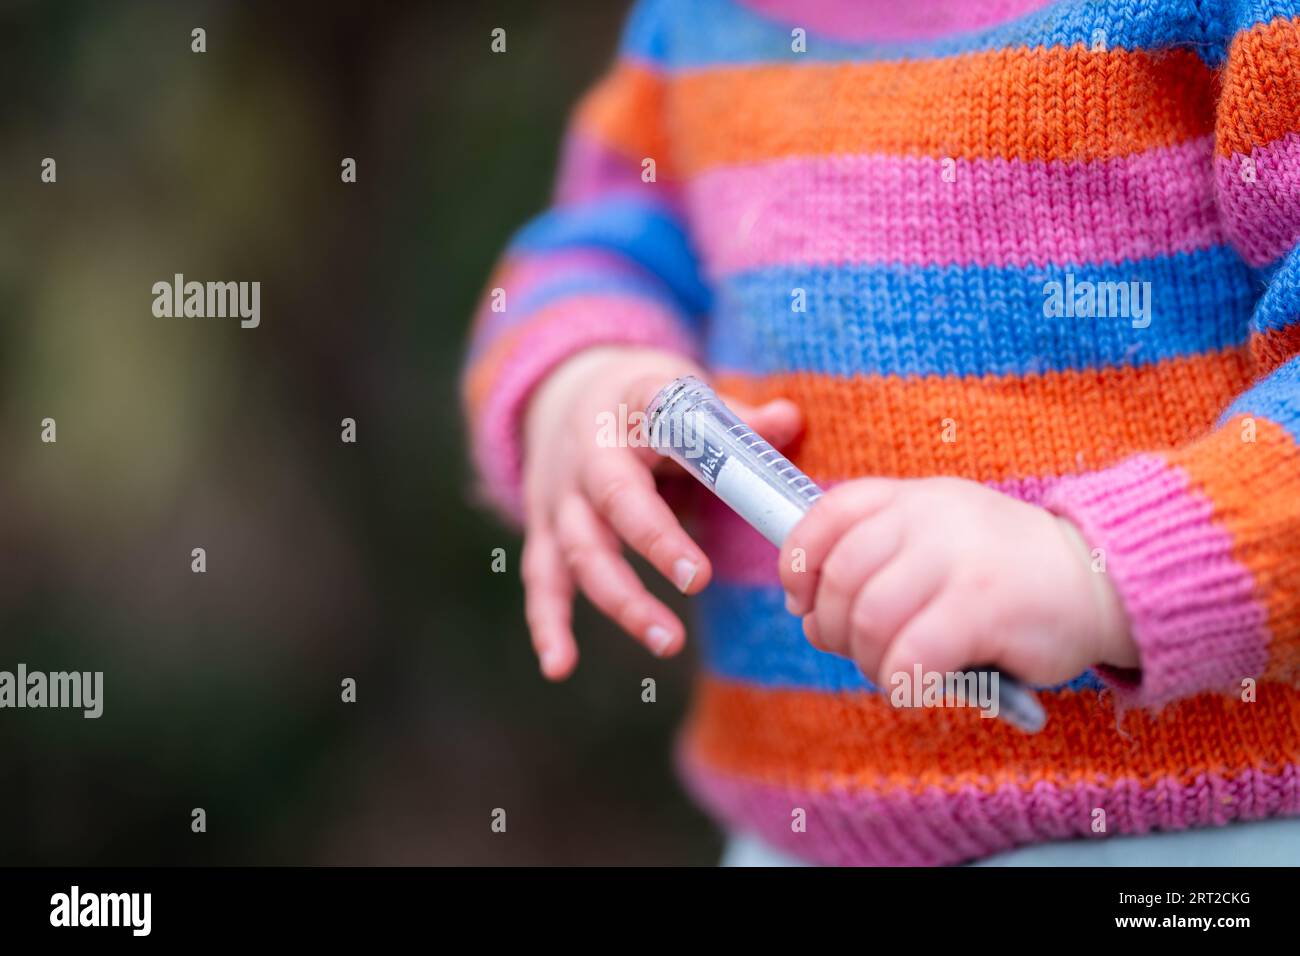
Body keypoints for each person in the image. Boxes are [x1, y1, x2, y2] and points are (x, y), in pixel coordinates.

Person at [461, 0, 1300, 865]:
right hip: (798, 833)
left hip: (1206, 840)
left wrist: (1098, 574)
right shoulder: (695, 24)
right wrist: (583, 374)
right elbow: (605, 243)